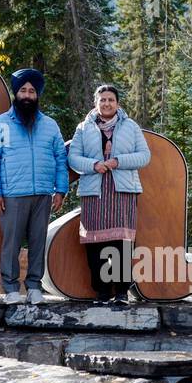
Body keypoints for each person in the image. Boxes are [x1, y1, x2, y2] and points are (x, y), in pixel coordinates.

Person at [0, 68, 68, 304]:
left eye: (31, 91)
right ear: (16, 94)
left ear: (37, 95)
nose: (27, 95)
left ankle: (34, 287)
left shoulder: (50, 125)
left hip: (42, 194)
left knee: (38, 241)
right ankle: (10, 288)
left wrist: (60, 190)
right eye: (23, 90)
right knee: (11, 243)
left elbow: (61, 158)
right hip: (11, 195)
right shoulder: (1, 125)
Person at [68, 84, 150, 305]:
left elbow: (144, 156)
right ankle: (102, 292)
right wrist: (94, 164)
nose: (106, 103)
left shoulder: (131, 127)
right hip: (93, 191)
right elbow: (73, 158)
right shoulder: (83, 128)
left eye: (110, 100)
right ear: (96, 103)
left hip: (122, 190)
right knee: (95, 243)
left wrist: (118, 161)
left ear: (118, 103)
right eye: (102, 100)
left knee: (122, 242)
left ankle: (122, 292)